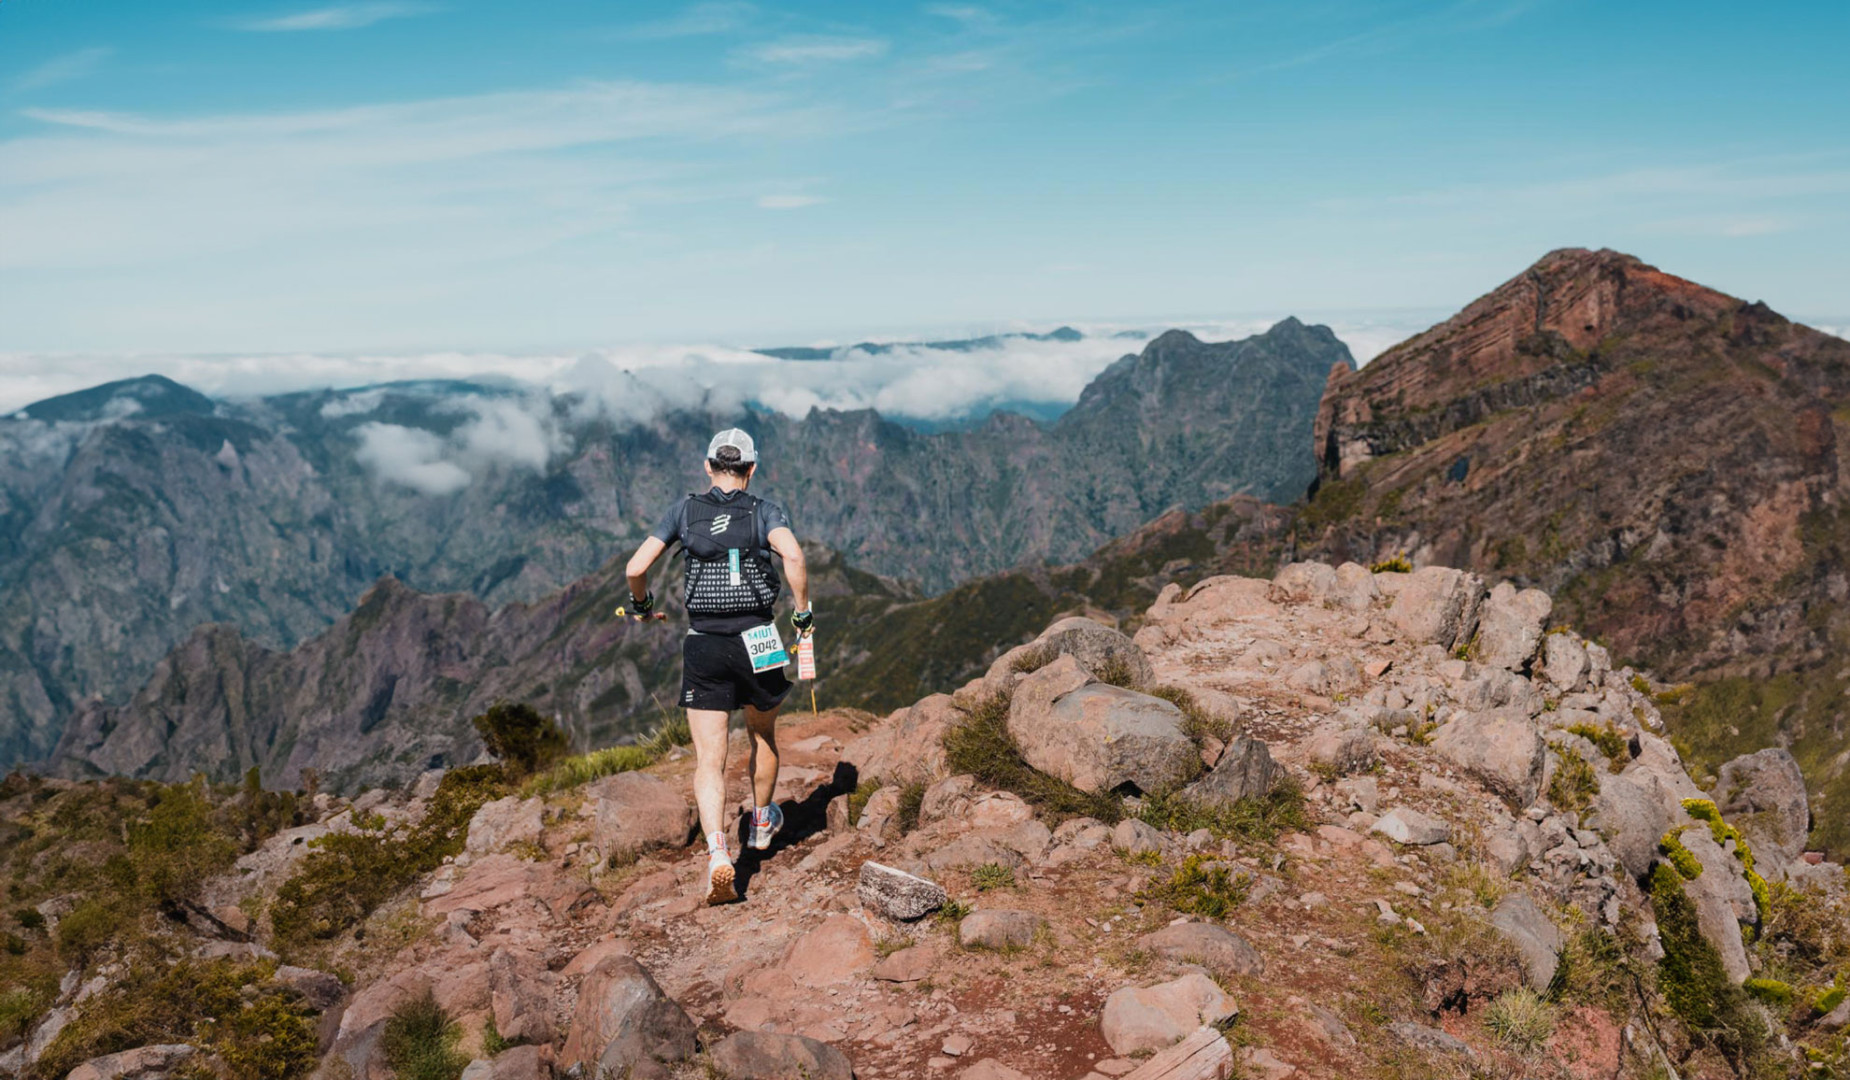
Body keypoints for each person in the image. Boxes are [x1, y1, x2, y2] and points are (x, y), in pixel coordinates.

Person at [623, 428, 812, 904]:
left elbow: (635, 568)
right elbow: (792, 554)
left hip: (704, 641)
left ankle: (717, 854)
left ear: (708, 467)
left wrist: (642, 606)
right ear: (752, 469)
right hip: (760, 637)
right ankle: (762, 823)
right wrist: (802, 613)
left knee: (710, 758)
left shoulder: (683, 511)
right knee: (762, 735)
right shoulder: (765, 510)